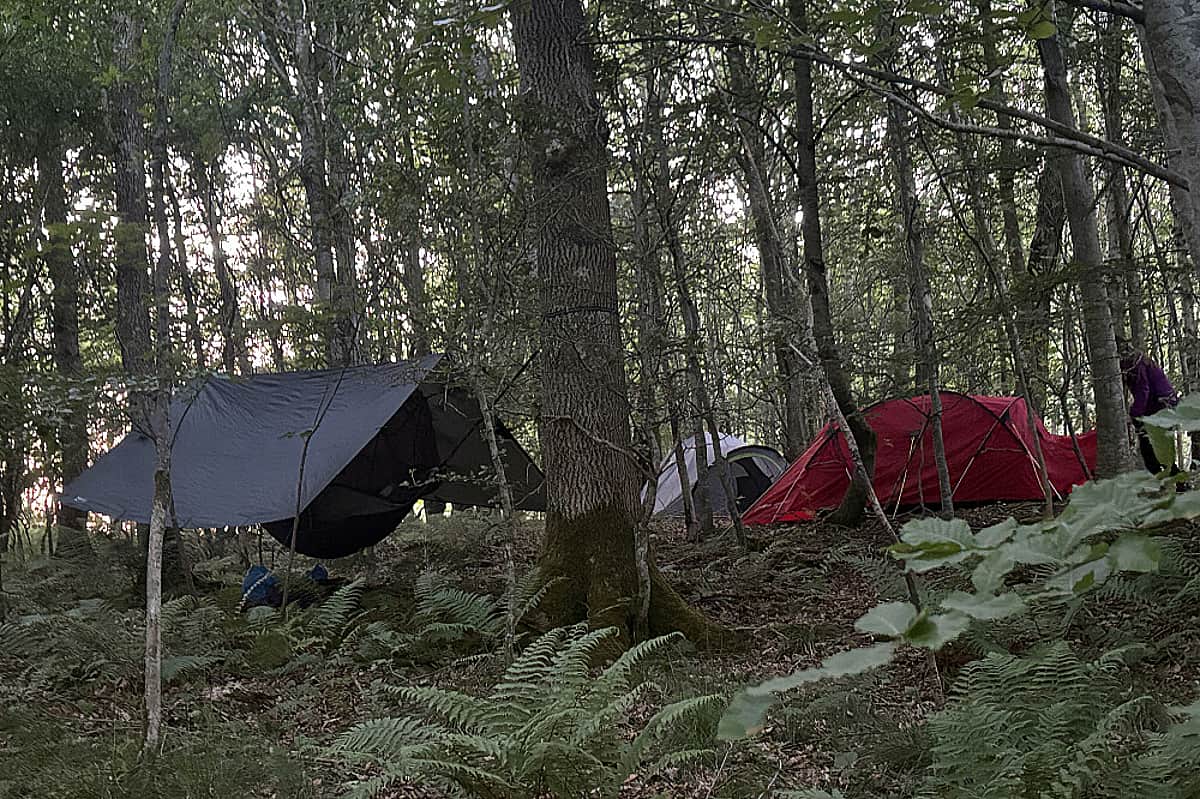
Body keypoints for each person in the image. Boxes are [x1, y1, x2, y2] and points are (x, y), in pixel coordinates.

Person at [1119, 341, 1181, 476]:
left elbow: (1143, 390)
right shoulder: (1138, 362)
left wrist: (1135, 414)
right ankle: (1173, 483)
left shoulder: (1136, 364)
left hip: (1161, 407)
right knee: (1153, 452)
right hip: (1158, 407)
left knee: (1153, 451)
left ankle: (1175, 483)